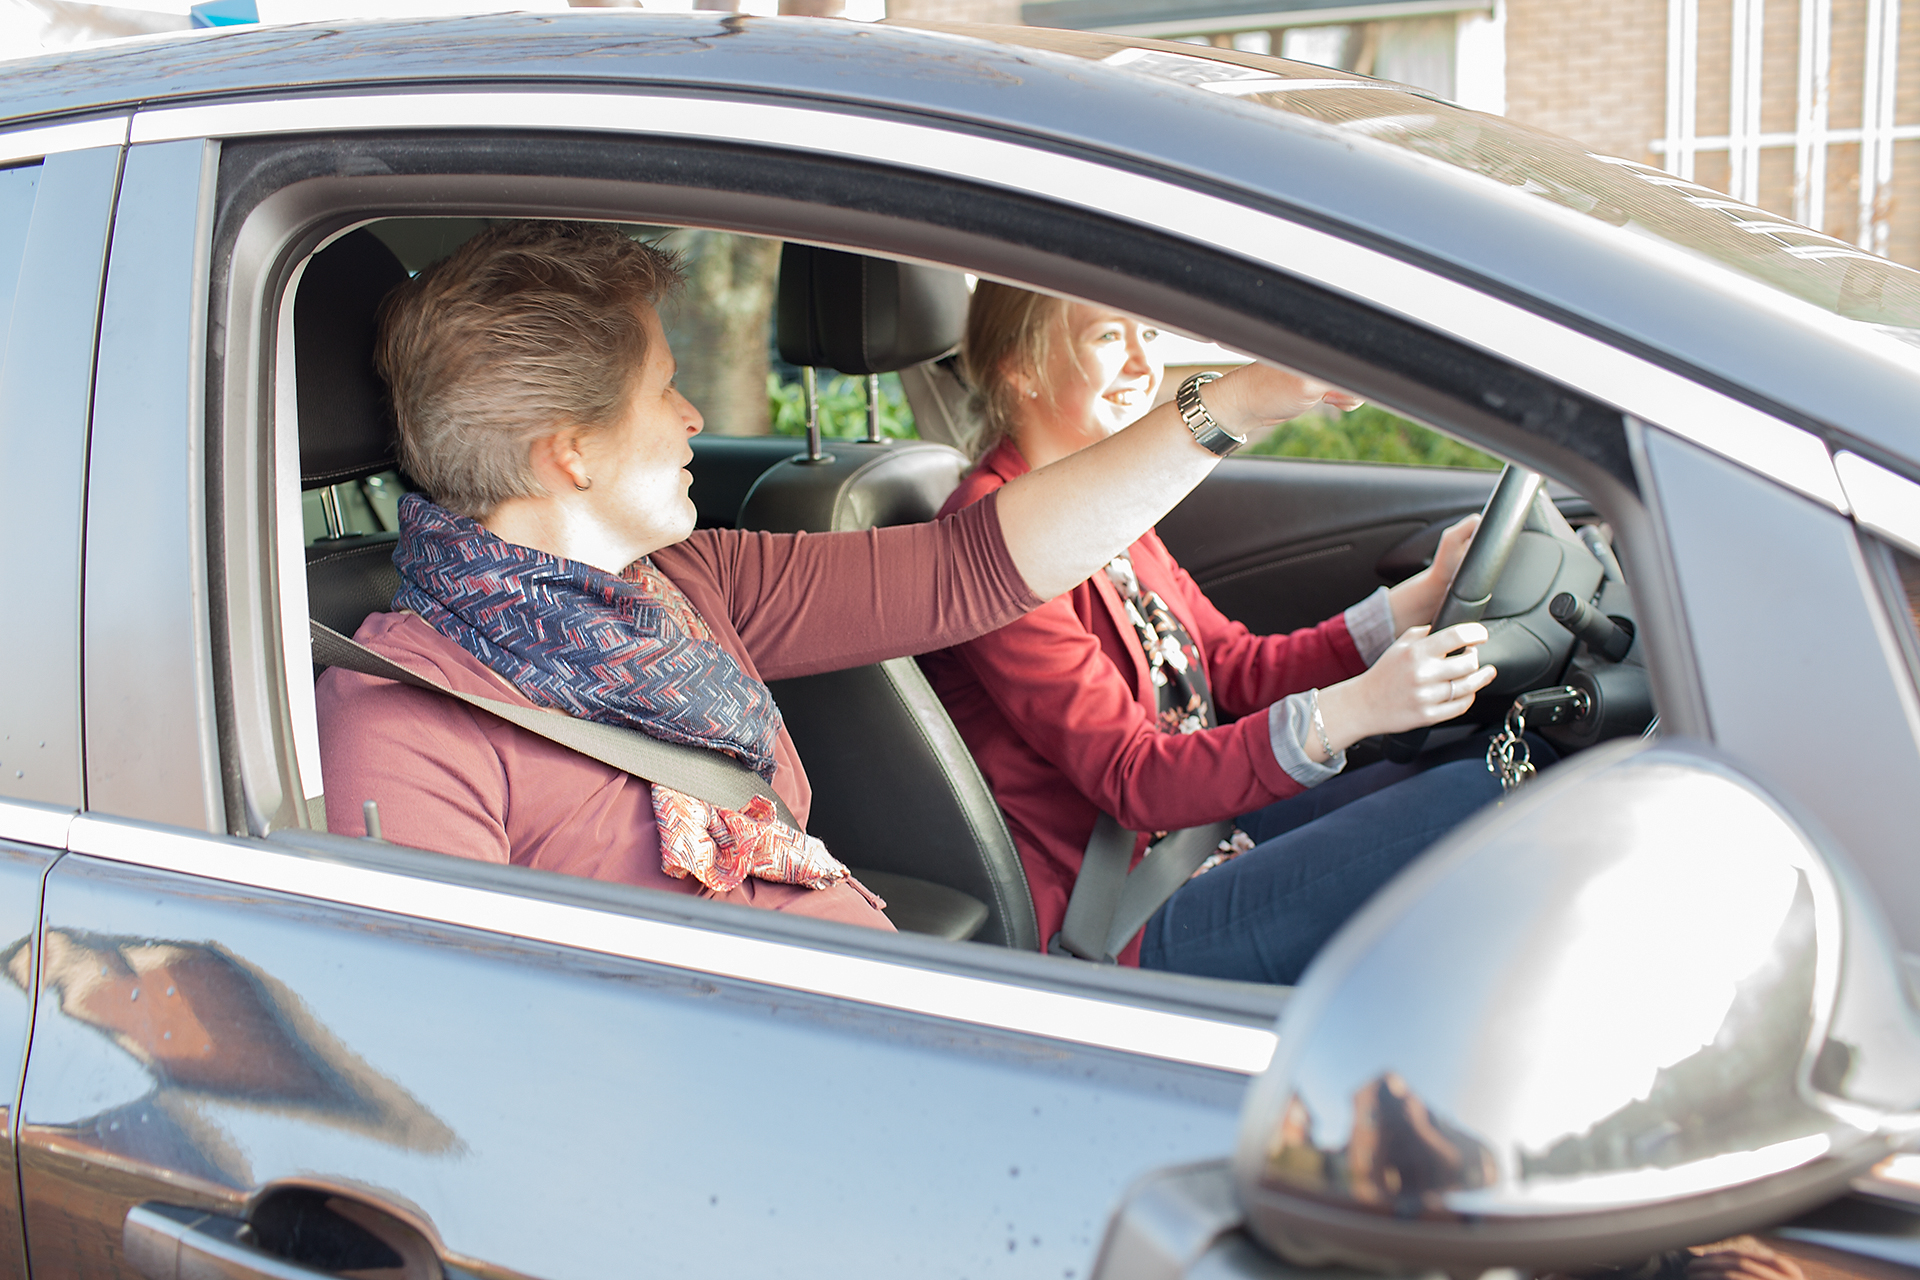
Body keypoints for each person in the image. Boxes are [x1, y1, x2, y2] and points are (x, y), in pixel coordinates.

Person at [314, 221, 1405, 936]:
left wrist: (1239, 403)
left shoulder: (692, 583)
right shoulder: (406, 720)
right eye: (663, 391)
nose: (695, 417)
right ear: (572, 451)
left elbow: (972, 568)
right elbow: (464, 1046)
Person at [920, 283, 1522, 982]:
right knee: (1483, 797)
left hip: (1202, 831)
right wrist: (1358, 708)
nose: (1143, 363)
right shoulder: (992, 537)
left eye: (1148, 333)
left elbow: (1232, 666)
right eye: (1108, 336)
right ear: (1020, 365)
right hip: (1120, 910)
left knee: (1494, 764)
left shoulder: (1104, 499)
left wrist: (1418, 599)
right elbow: (1134, 776)